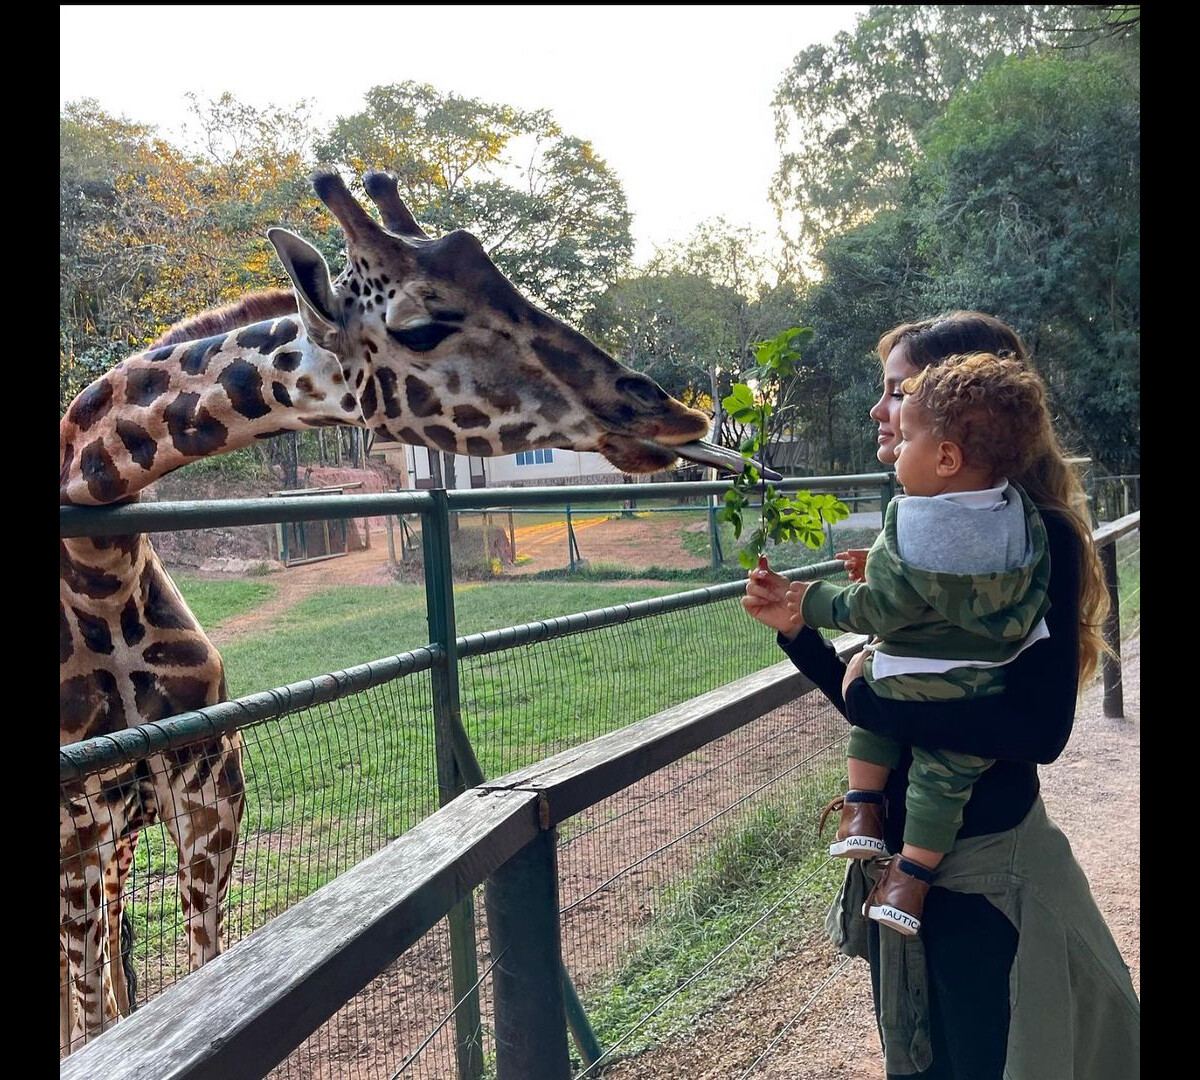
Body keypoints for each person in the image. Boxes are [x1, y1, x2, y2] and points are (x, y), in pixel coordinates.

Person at [742, 312, 1139, 1080]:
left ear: (956, 419)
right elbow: (891, 701)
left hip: (988, 878)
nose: (877, 411)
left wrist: (875, 703)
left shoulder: (1037, 538)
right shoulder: (916, 531)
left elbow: (1037, 728)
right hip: (907, 869)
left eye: (895, 393)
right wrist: (800, 633)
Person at [790, 353, 1052, 938]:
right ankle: (910, 878)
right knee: (944, 781)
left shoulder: (910, 519)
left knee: (869, 705)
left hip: (900, 675)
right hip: (981, 686)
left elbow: (879, 609)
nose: (895, 439)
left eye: (907, 434)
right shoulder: (1023, 521)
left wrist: (810, 601)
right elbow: (1016, 595)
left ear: (947, 457)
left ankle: (862, 806)